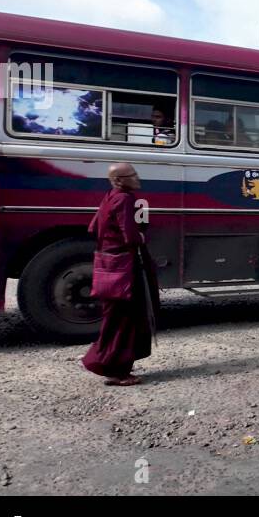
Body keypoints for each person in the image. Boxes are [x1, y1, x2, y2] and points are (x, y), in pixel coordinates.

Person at [82, 163, 160, 386]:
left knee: (115, 318)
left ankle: (111, 365)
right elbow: (131, 236)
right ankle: (115, 371)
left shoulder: (110, 196)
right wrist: (142, 238)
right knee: (126, 318)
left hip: (108, 264)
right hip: (125, 266)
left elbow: (94, 228)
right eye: (132, 175)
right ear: (118, 180)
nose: (137, 178)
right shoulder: (126, 199)